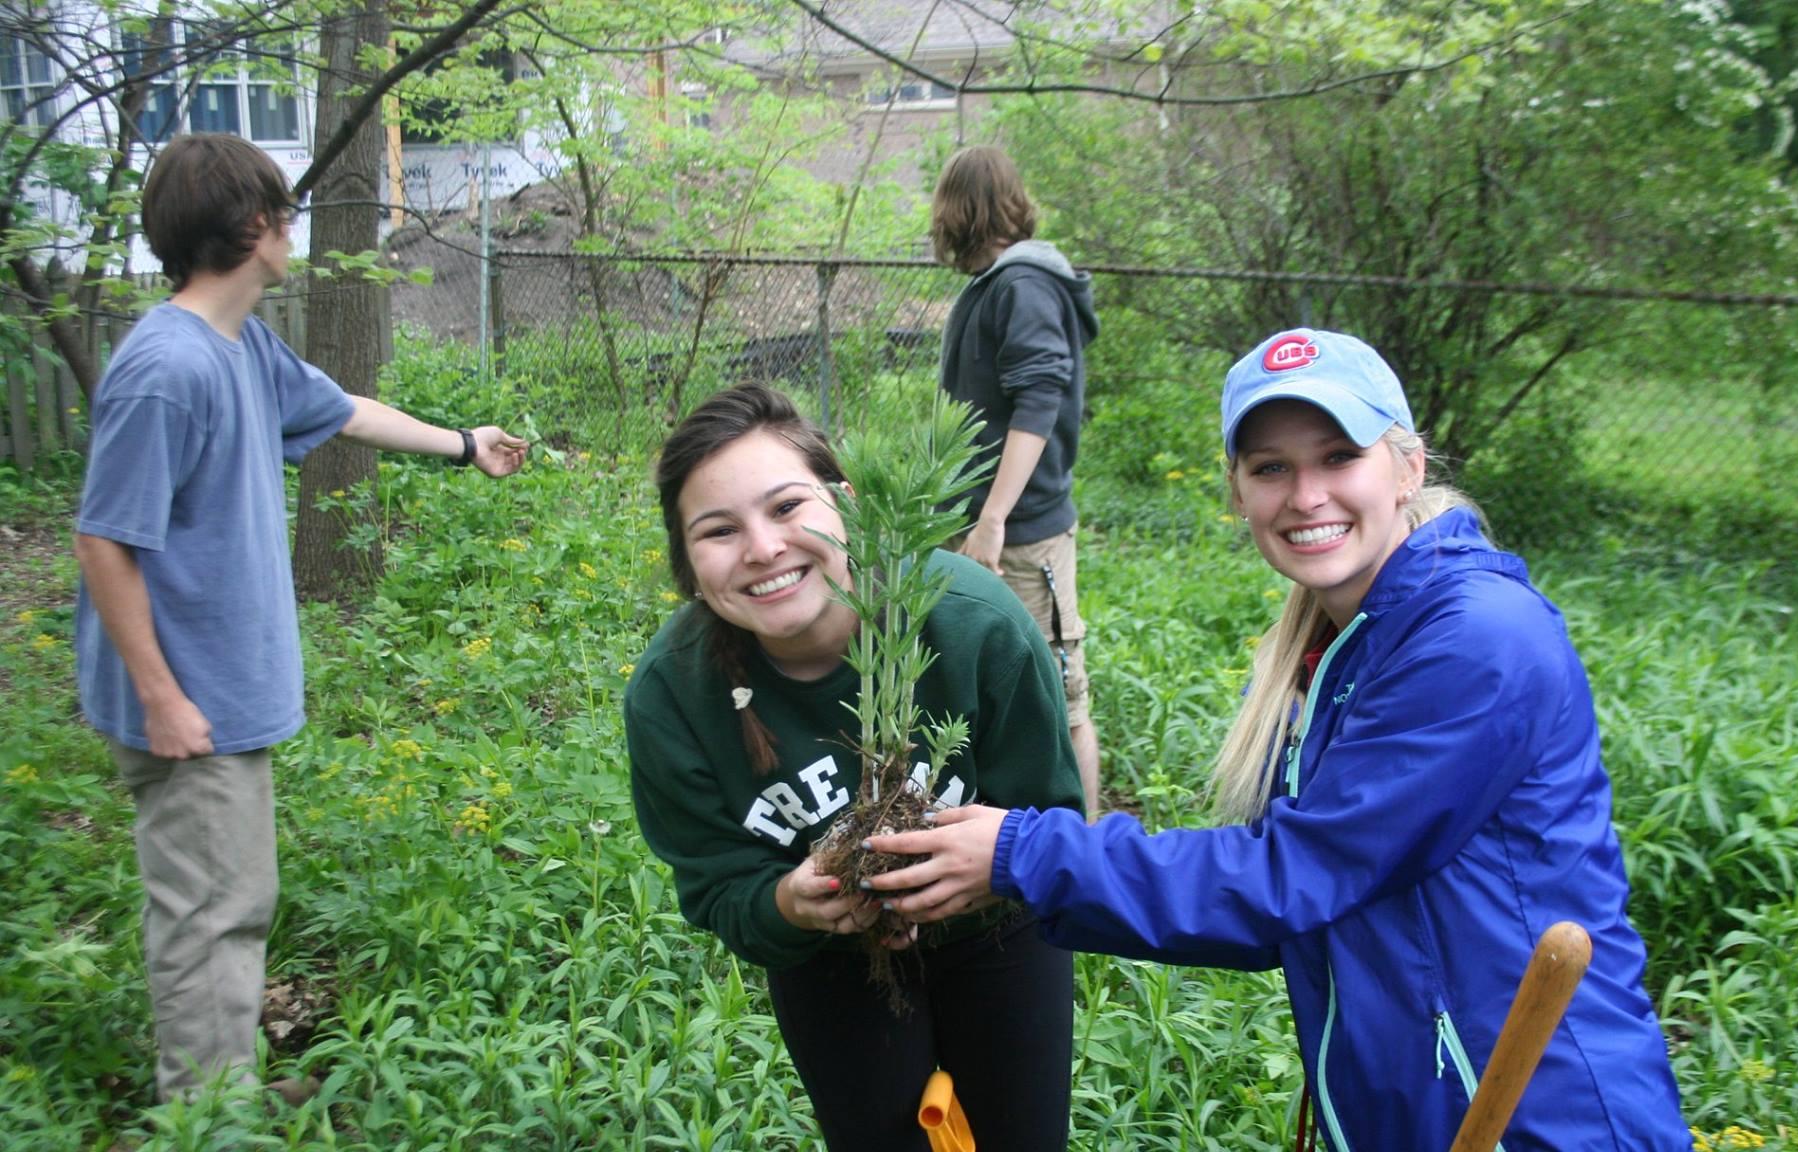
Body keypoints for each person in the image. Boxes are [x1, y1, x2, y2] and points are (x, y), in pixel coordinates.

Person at [866, 330, 1692, 1150]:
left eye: (1339, 456)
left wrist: (1025, 853)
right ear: (1238, 491)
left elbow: (1295, 877)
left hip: (1534, 1112)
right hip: (1428, 1097)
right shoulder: (1349, 643)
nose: (1306, 495)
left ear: (1408, 467)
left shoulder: (1477, 639)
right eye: (1271, 468)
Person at [73, 133, 529, 1103]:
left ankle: (217, 1082)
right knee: (212, 910)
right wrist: (160, 697)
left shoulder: (239, 345)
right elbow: (103, 541)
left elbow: (345, 410)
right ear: (254, 227)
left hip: (221, 690)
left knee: (234, 899)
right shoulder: (166, 369)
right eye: (284, 209)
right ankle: (206, 1114)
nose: (295, 226)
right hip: (187, 701)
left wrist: (462, 443)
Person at [624, 384, 1084, 1151]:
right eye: (717, 530)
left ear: (846, 502)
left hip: (1001, 933)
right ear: (686, 562)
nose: (763, 548)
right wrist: (789, 904)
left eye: (785, 507)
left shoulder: (975, 626)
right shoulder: (673, 696)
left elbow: (1055, 820)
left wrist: (995, 866)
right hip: (830, 955)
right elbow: (717, 887)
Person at [930, 144, 1102, 816]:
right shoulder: (997, 285)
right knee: (986, 688)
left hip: (1021, 538)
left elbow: (1041, 399)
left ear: (958, 211)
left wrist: (994, 520)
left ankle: (1082, 861)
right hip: (980, 533)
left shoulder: (1023, 286)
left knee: (1060, 698)